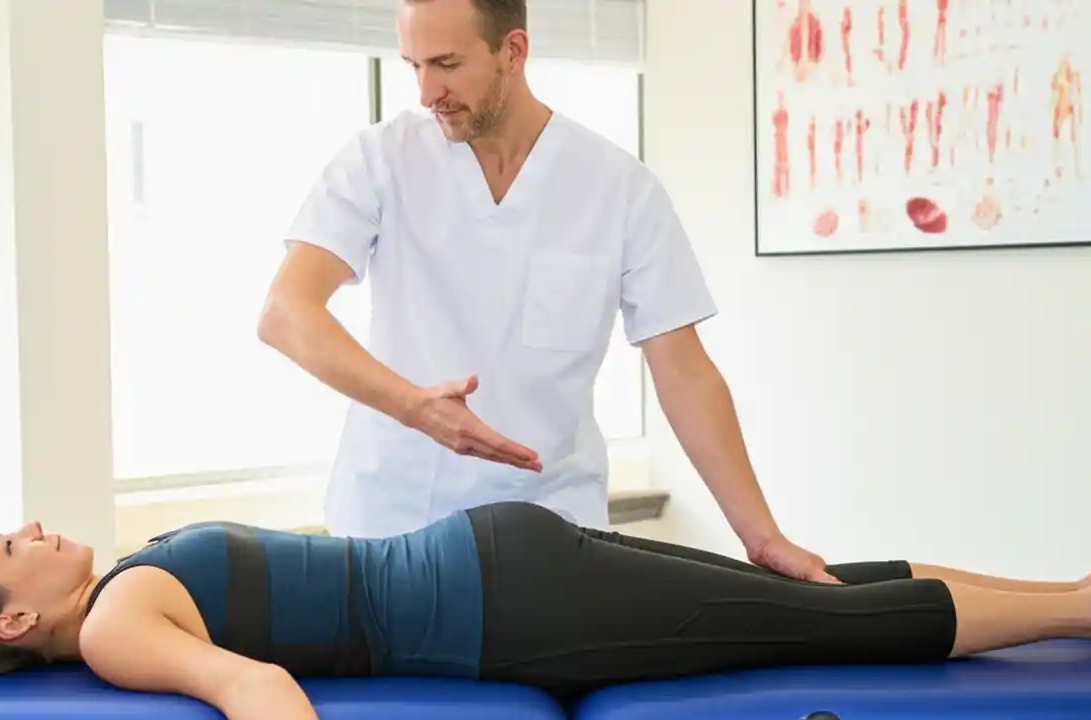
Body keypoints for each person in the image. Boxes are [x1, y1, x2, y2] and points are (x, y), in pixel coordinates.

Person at [257, 0, 834, 583]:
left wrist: (761, 536)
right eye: (414, 66)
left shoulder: (618, 188)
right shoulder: (380, 159)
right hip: (390, 530)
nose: (428, 91)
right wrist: (418, 409)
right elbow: (286, 312)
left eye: (447, 63)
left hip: (553, 535)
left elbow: (684, 372)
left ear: (513, 51)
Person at [0, 502, 1091, 720]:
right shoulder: (114, 616)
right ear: (16, 620)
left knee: (823, 622)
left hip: (510, 605)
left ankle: (1088, 607)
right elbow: (254, 678)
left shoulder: (112, 610)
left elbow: (258, 688)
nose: (32, 528)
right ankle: (1082, 599)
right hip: (494, 562)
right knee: (813, 592)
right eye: (8, 544)